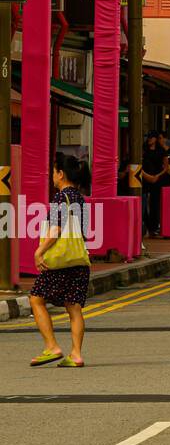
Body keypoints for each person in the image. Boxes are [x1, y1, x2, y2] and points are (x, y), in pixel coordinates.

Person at [29, 156, 92, 368]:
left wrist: (40, 251)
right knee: (74, 308)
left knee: (36, 299)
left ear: (61, 174)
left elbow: (55, 229)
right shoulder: (81, 199)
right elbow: (84, 233)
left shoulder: (60, 198)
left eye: (54, 172)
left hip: (60, 262)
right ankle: (76, 354)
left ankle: (52, 346)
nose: (52, 177)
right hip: (79, 260)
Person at [140, 132, 169, 239]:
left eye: (152, 137)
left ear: (156, 139)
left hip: (157, 178)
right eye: (148, 137)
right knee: (144, 202)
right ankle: (147, 224)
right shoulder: (143, 150)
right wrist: (146, 176)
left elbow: (166, 167)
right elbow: (138, 163)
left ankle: (154, 227)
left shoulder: (161, 151)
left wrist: (157, 176)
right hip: (145, 177)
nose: (149, 139)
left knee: (155, 203)